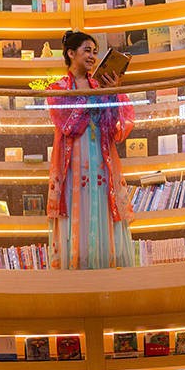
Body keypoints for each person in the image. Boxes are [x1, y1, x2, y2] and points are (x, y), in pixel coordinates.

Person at [47, 30, 135, 269]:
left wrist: (113, 92)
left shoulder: (101, 84)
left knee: (103, 206)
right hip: (73, 162)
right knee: (77, 205)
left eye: (95, 52)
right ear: (70, 53)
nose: (92, 56)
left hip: (101, 159)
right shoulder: (57, 89)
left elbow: (117, 128)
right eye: (87, 50)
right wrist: (95, 96)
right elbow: (68, 126)